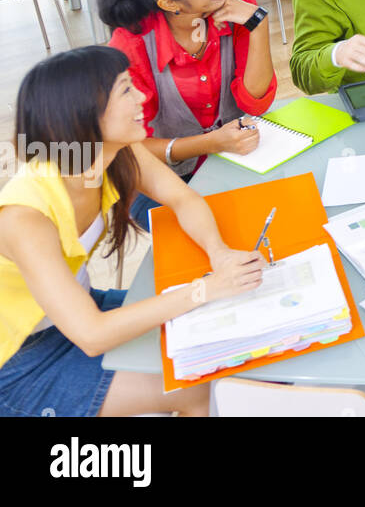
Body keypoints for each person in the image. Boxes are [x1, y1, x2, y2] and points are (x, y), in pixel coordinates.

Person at [0, 47, 265, 417]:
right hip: (21, 360)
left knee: (217, 338)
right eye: (126, 89)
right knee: (194, 384)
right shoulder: (24, 217)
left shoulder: (113, 153)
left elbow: (182, 199)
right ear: (84, 112)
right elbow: (92, 335)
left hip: (76, 314)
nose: (142, 96)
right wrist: (206, 288)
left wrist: (218, 252)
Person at [99, 0, 273, 217]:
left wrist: (259, 24)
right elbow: (128, 147)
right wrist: (211, 143)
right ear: (170, 3)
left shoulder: (240, 3)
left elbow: (256, 103)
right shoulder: (132, 44)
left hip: (239, 157)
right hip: (166, 176)